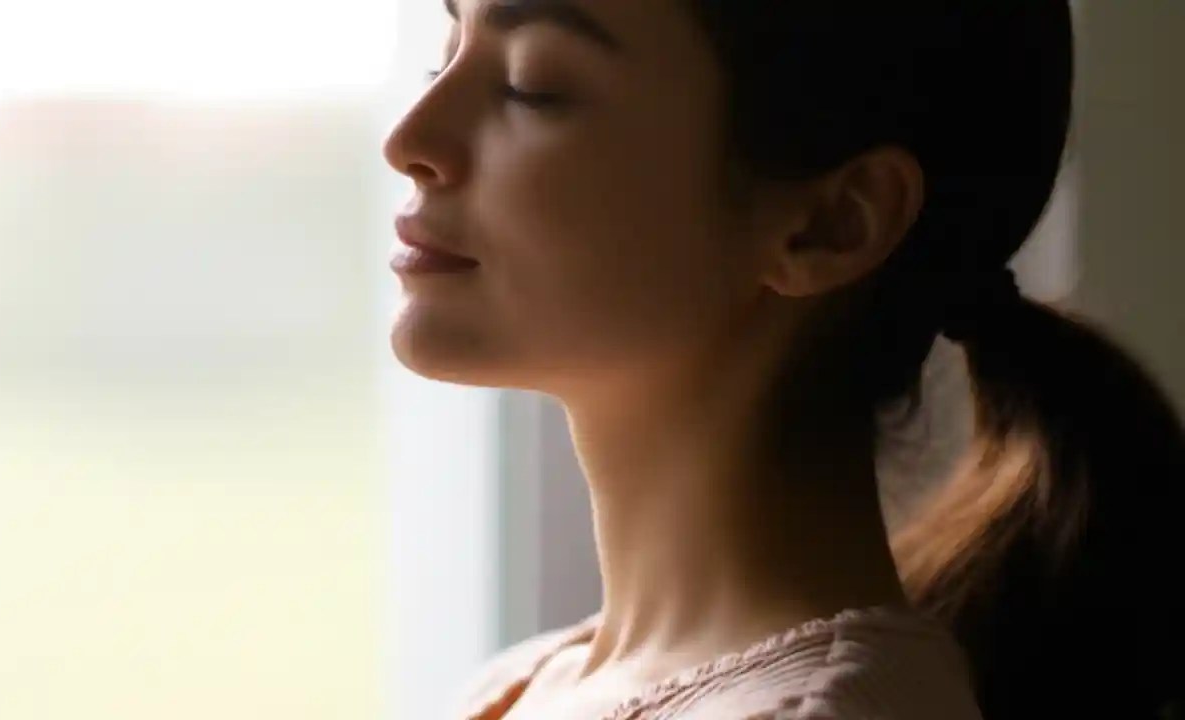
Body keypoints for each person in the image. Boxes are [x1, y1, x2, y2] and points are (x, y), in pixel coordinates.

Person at [381, 1, 1184, 718]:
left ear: (832, 223)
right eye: (448, 46)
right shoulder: (522, 688)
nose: (408, 139)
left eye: (532, 83)